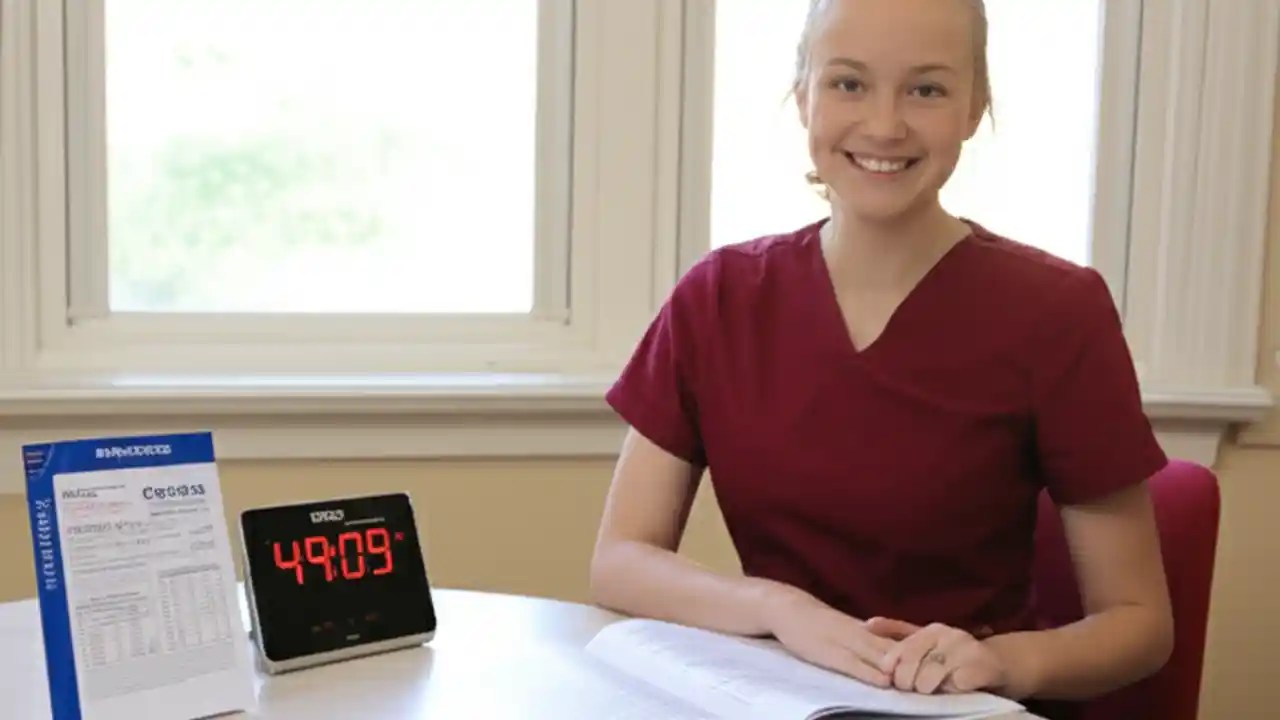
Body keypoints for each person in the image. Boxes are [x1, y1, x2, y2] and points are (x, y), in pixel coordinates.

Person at [588, 0, 1174, 718]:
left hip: (964, 706)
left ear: (974, 107)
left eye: (926, 89)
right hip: (776, 698)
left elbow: (1140, 623)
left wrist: (1003, 662)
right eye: (848, 83)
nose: (885, 125)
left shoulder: (1059, 311)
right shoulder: (719, 297)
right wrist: (776, 607)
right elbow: (620, 562)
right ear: (802, 94)